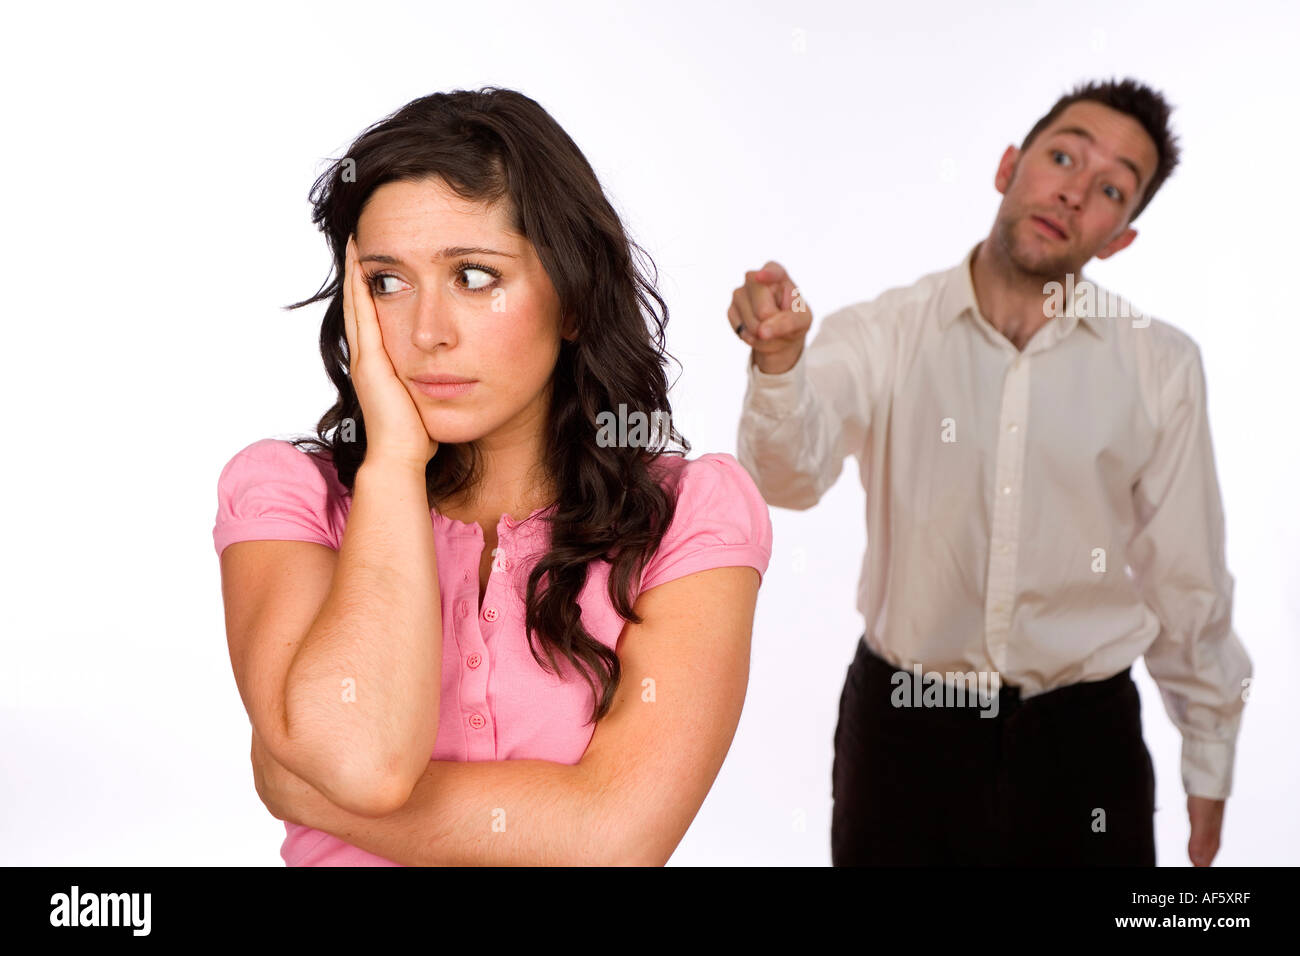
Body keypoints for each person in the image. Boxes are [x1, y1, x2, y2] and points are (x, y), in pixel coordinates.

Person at [213, 87, 772, 866]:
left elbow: (613, 841)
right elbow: (362, 763)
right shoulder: (288, 499)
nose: (426, 333)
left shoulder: (691, 518)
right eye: (386, 281)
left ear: (573, 297)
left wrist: (309, 794)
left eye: (475, 277)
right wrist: (395, 467)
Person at [731, 77, 1250, 866]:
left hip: (1086, 744)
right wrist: (778, 365)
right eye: (1063, 156)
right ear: (1010, 165)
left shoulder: (1161, 367)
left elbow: (1187, 576)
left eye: (1111, 188)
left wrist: (1209, 754)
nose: (1074, 192)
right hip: (904, 736)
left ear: (1120, 238)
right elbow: (788, 477)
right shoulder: (885, 332)